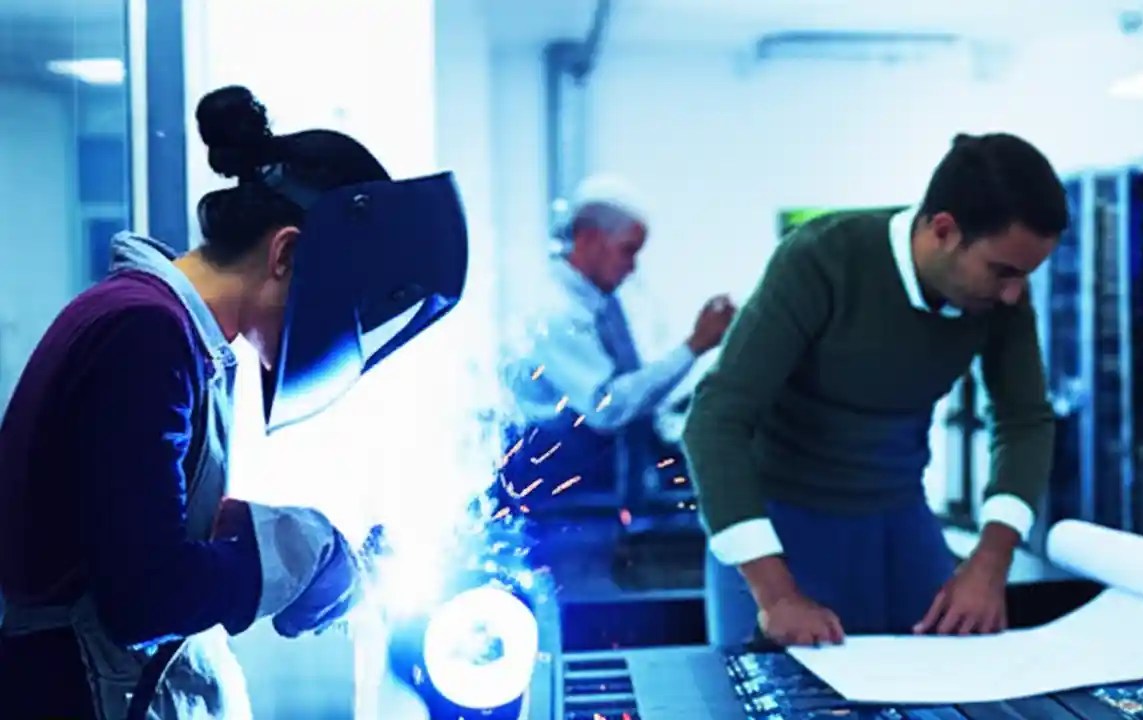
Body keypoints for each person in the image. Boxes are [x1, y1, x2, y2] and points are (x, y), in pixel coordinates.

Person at [0, 85, 469, 719]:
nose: (341, 333)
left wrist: (246, 538)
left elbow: (123, 532)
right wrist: (289, 560)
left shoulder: (174, 335)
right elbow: (143, 595)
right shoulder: (146, 332)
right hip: (59, 694)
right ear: (287, 252)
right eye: (347, 308)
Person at [683, 132, 1067, 647]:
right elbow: (715, 420)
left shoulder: (1001, 293)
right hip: (780, 525)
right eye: (1002, 272)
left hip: (900, 519)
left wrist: (990, 563)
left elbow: (1024, 422)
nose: (1014, 294)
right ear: (944, 231)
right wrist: (776, 596)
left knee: (942, 685)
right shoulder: (822, 259)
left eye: (1024, 277)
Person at [502, 175, 736, 523]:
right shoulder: (554, 311)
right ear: (590, 239)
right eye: (628, 249)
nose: (633, 265)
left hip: (593, 501)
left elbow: (632, 393)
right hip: (561, 506)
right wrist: (693, 347)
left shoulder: (600, 306)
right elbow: (606, 406)